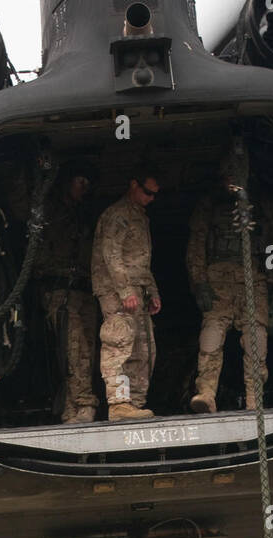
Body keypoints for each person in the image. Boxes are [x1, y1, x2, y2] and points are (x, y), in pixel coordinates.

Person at [186, 151, 273, 413]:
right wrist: (198, 281)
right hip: (218, 279)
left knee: (256, 340)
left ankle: (254, 399)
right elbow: (197, 244)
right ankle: (207, 393)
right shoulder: (210, 205)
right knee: (211, 338)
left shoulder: (264, 206)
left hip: (254, 279)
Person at [91, 171, 162, 422]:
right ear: (134, 184)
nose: (151, 198)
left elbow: (141, 263)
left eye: (155, 194)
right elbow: (111, 254)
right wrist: (124, 290)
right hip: (117, 292)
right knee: (118, 344)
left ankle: (135, 403)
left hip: (137, 292)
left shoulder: (139, 217)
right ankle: (120, 403)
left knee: (144, 349)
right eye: (147, 192)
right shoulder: (118, 214)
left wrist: (152, 292)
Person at [34, 162, 100, 424]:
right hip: (60, 293)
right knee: (74, 350)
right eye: (79, 181)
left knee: (87, 353)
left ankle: (73, 409)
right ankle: (83, 405)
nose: (83, 188)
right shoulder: (50, 212)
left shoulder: (85, 213)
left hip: (85, 292)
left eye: (87, 183)